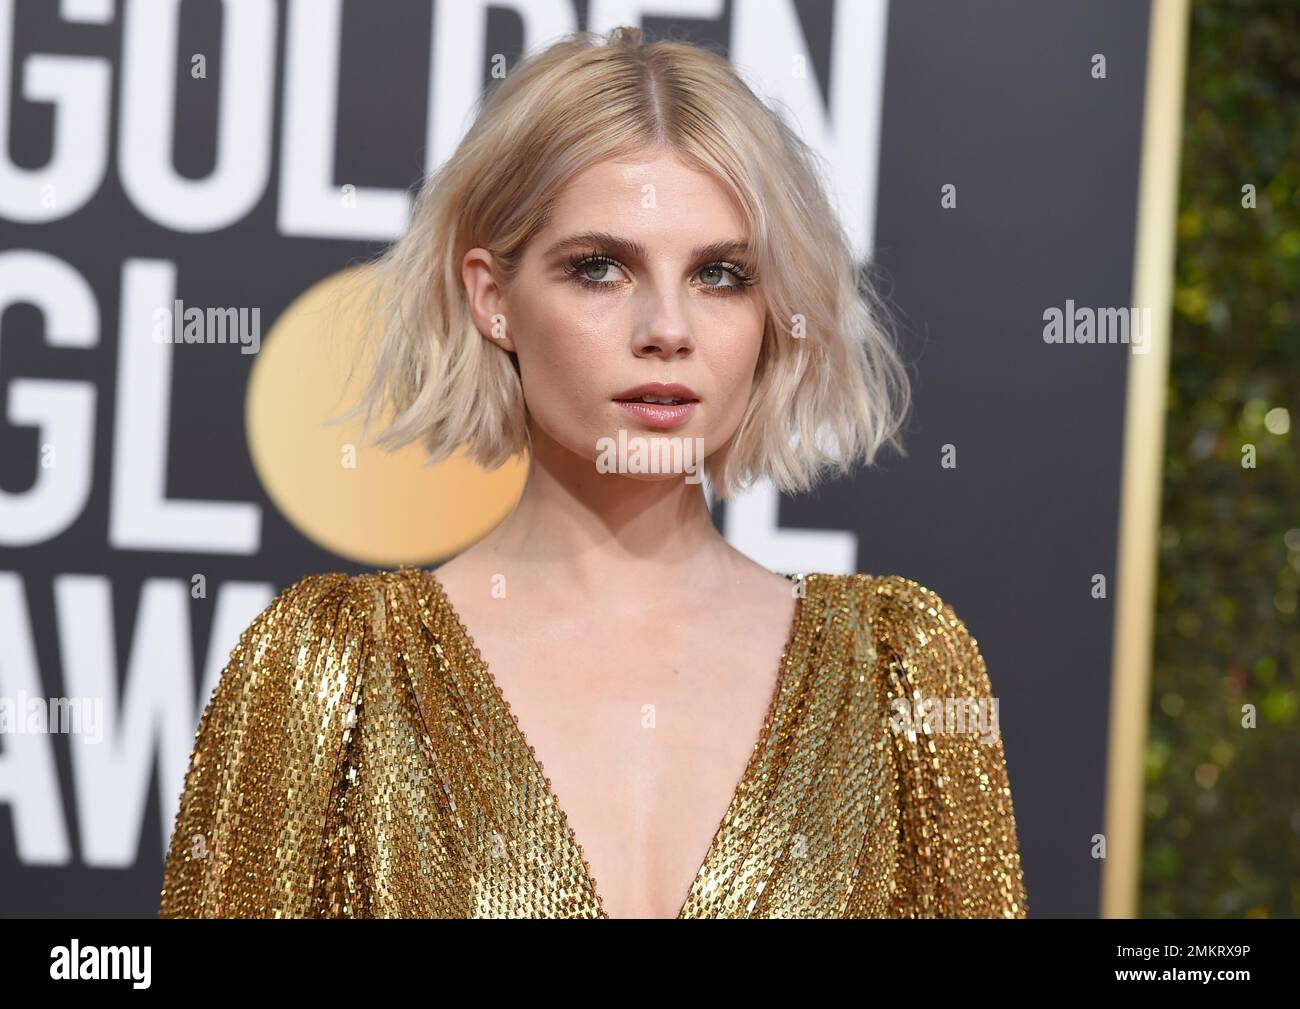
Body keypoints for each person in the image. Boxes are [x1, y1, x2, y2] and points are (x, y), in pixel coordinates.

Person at [158, 25, 1027, 919]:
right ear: (493, 299)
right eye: (600, 268)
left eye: (721, 274)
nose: (667, 326)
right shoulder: (332, 671)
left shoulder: (900, 669)